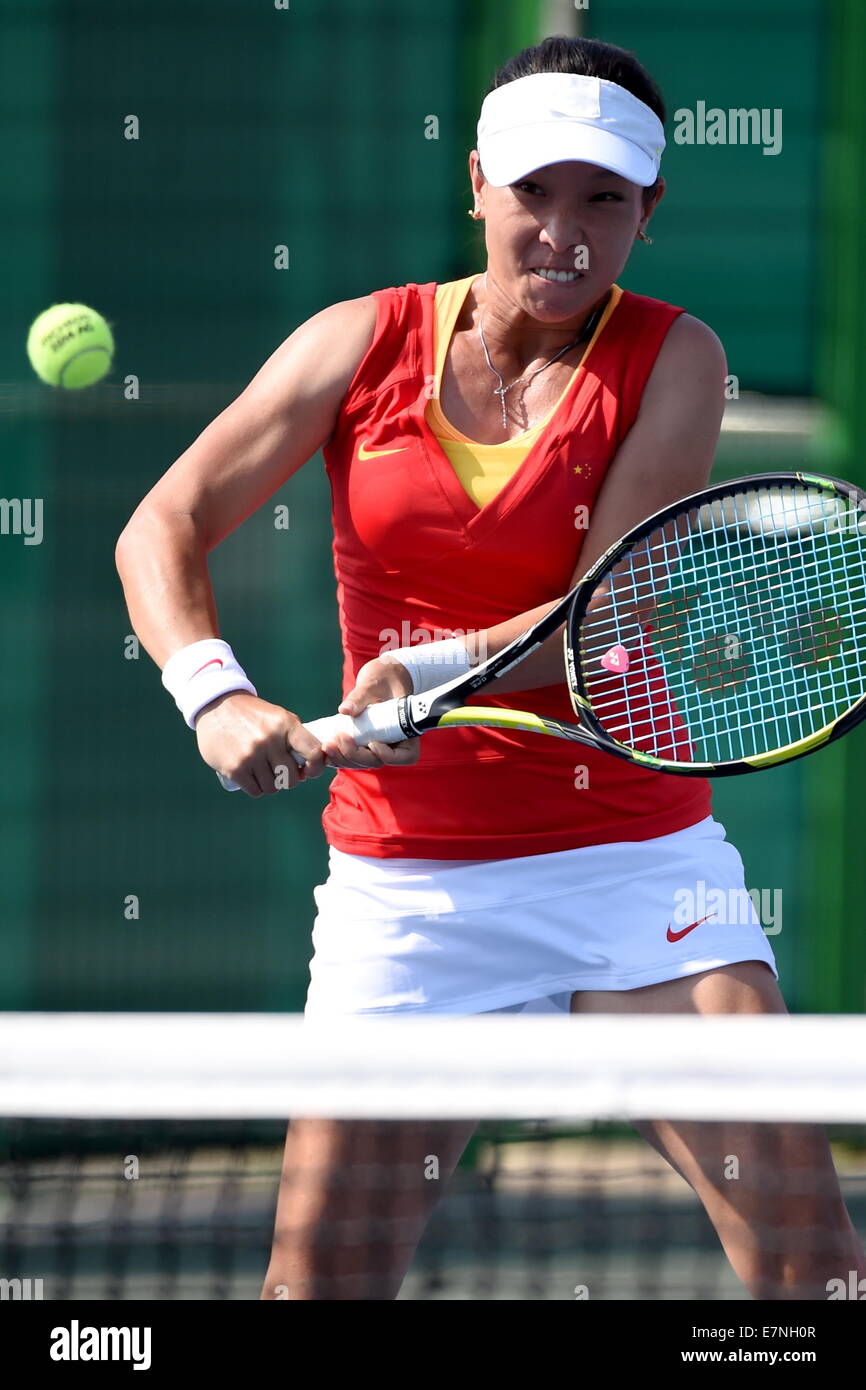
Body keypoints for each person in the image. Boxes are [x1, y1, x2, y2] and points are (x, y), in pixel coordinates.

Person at [115, 35, 866, 1300]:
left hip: (636, 871)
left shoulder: (672, 358)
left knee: (813, 1265)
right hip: (408, 895)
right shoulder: (358, 343)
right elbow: (164, 522)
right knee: (315, 1292)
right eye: (531, 191)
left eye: (602, 200)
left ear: (649, 212)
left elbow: (605, 619)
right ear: (474, 184)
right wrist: (216, 694)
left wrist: (432, 666)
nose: (561, 230)